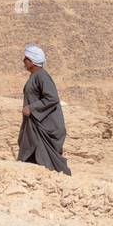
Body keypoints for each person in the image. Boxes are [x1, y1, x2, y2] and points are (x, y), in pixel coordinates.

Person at [17, 45, 71, 175]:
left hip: (44, 125)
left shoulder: (42, 76)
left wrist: (31, 107)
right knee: (29, 147)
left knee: (46, 156)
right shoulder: (35, 76)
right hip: (35, 123)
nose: (23, 60)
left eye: (26, 58)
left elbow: (52, 98)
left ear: (32, 61)